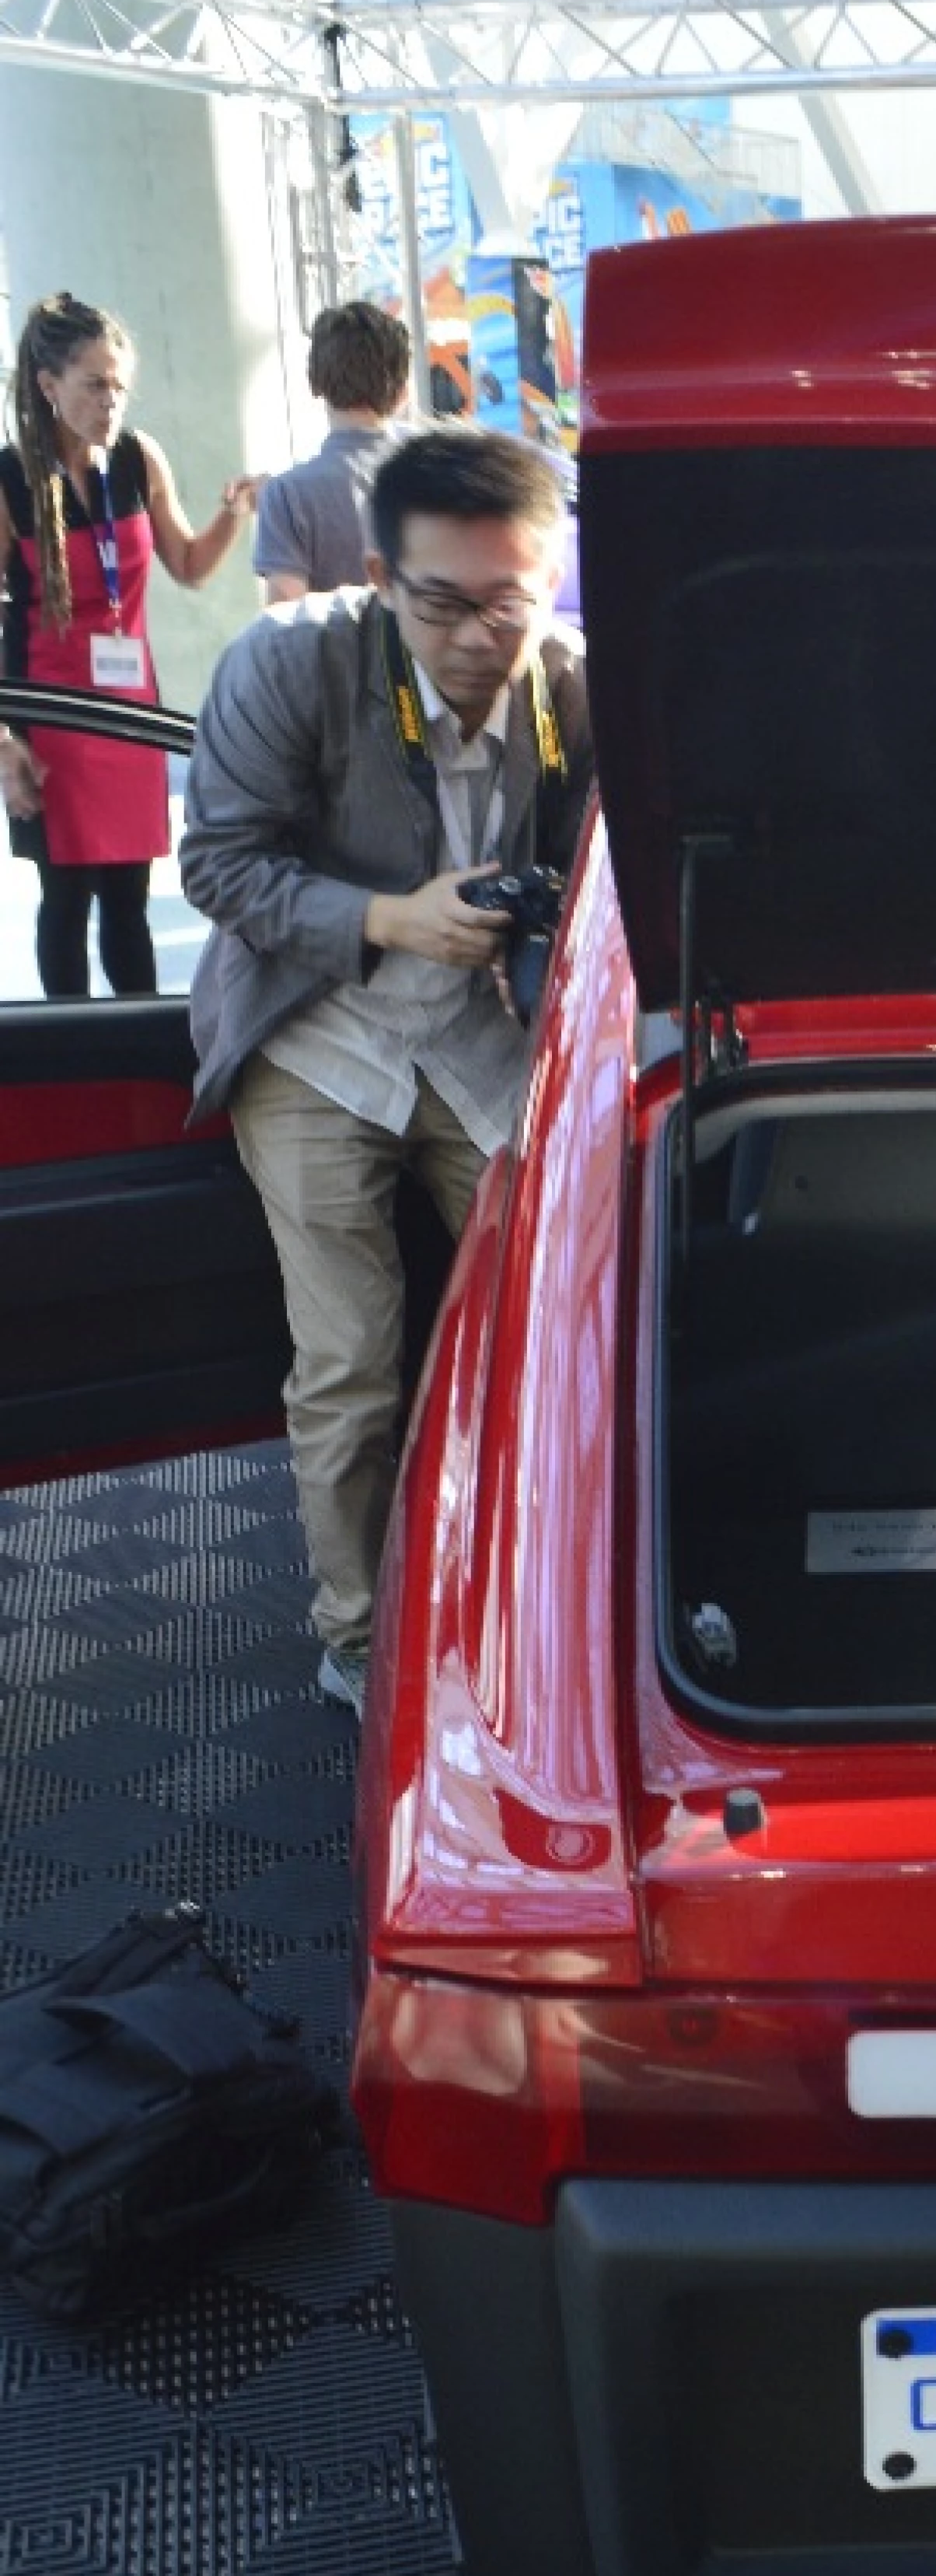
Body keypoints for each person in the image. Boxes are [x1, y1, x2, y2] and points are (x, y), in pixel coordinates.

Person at [179, 425, 592, 1721]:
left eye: (509, 600)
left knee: (556, 1334)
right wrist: (389, 917)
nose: (481, 635)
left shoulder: (567, 680)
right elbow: (218, 868)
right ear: (379, 572)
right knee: (355, 1360)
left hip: (475, 1037)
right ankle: (357, 1646)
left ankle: (537, 1609)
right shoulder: (290, 664)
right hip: (317, 1032)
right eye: (447, 603)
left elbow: (610, 876)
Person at [0, 292, 260, 999]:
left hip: (130, 714)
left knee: (130, 904)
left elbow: (189, 565)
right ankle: (69, 1064)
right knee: (66, 901)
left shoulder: (138, 459)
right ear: (49, 387)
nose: (111, 400)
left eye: (119, 385)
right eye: (95, 385)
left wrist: (231, 515)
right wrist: (4, 742)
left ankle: (143, 1061)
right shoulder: (9, 482)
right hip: (52, 719)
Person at [253, 299, 414, 603]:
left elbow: (285, 620)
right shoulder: (439, 470)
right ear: (402, 392)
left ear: (314, 382)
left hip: (336, 650)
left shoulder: (287, 495)